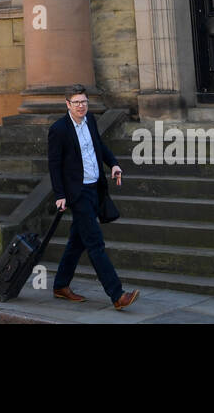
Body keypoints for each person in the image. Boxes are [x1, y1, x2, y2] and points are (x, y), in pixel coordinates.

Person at [47, 86, 139, 309]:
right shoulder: (59, 129)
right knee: (95, 242)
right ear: (67, 104)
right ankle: (117, 295)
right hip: (77, 194)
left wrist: (114, 164)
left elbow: (99, 146)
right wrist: (60, 194)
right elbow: (54, 164)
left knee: (77, 242)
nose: (81, 106)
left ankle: (60, 285)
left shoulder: (90, 121)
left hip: (94, 188)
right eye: (77, 102)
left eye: (84, 102)